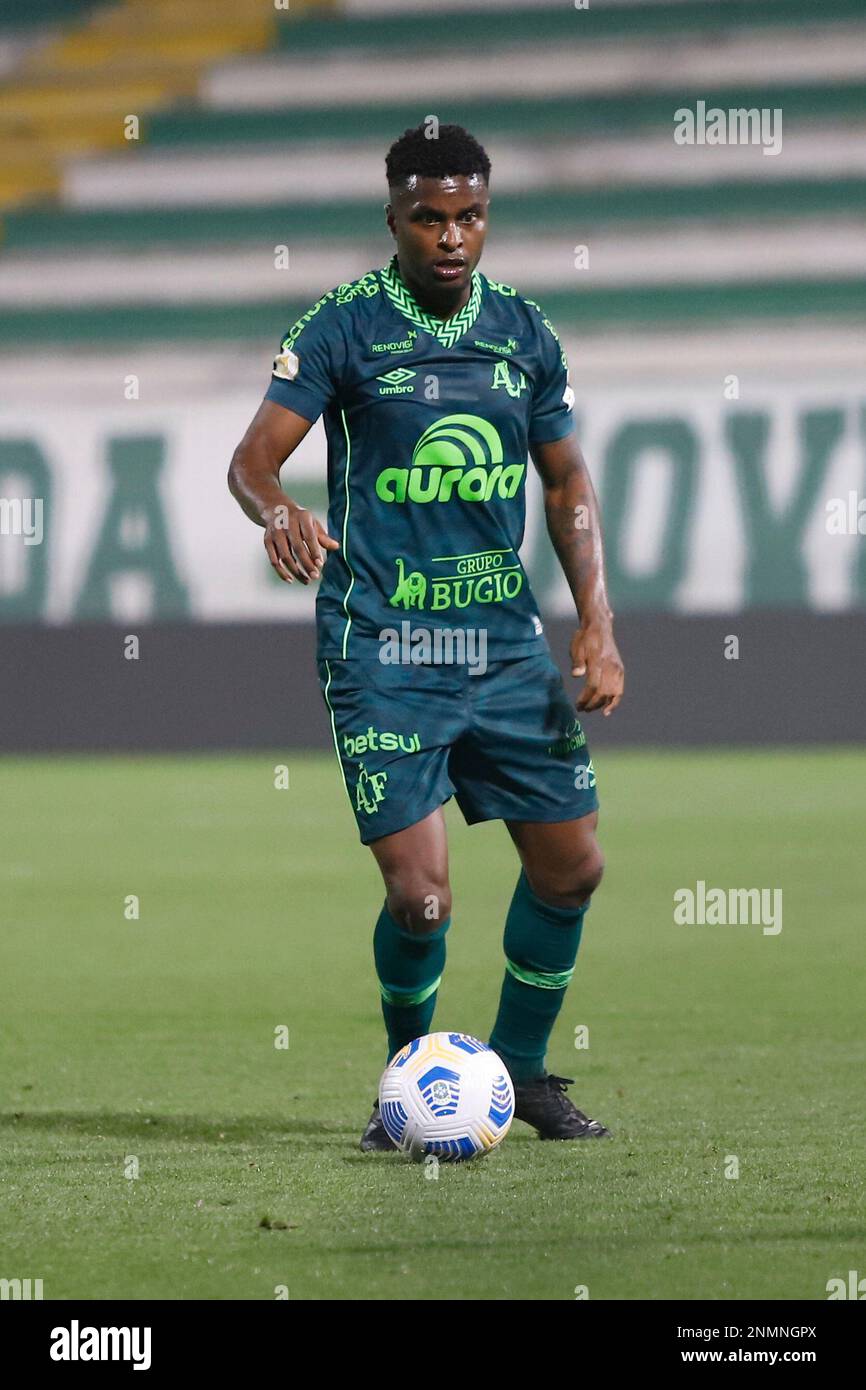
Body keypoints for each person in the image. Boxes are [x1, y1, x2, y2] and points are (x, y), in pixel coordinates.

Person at [228, 123, 625, 1148]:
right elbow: (252, 461)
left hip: (501, 647)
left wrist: (596, 623)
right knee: (422, 900)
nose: (451, 237)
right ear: (394, 219)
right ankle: (404, 1085)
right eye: (429, 219)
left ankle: (523, 1073)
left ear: (486, 215)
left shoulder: (525, 334)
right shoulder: (341, 329)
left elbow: (565, 478)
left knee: (572, 866)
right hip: (384, 648)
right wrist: (275, 509)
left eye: (470, 216)